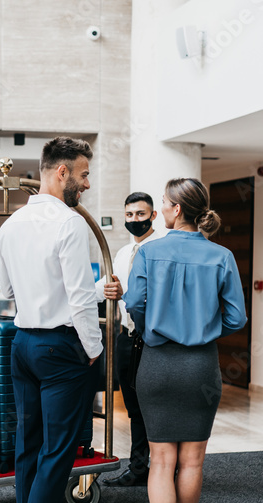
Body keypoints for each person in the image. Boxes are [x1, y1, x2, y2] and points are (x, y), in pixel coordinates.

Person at [0, 136, 121, 503]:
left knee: (28, 450)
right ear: (62, 171)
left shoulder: (11, 224)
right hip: (62, 349)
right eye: (84, 174)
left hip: (23, 344)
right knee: (56, 454)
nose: (87, 184)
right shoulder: (70, 224)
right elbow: (81, 298)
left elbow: (7, 291)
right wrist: (93, 349)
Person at [124, 177, 247, 503]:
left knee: (161, 461)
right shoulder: (221, 256)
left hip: (157, 365)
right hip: (200, 368)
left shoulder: (148, 252)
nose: (160, 209)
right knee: (191, 463)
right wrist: (204, 329)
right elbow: (236, 318)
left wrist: (154, 328)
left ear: (176, 210)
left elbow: (134, 304)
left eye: (163, 203)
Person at [97, 192, 159, 487]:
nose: (135, 220)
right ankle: (138, 468)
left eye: (141, 214)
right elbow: (107, 285)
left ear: (153, 216)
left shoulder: (161, 250)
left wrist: (126, 294)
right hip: (126, 337)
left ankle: (164, 467)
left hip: (153, 339)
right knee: (133, 407)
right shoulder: (123, 253)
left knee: (154, 406)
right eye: (130, 215)